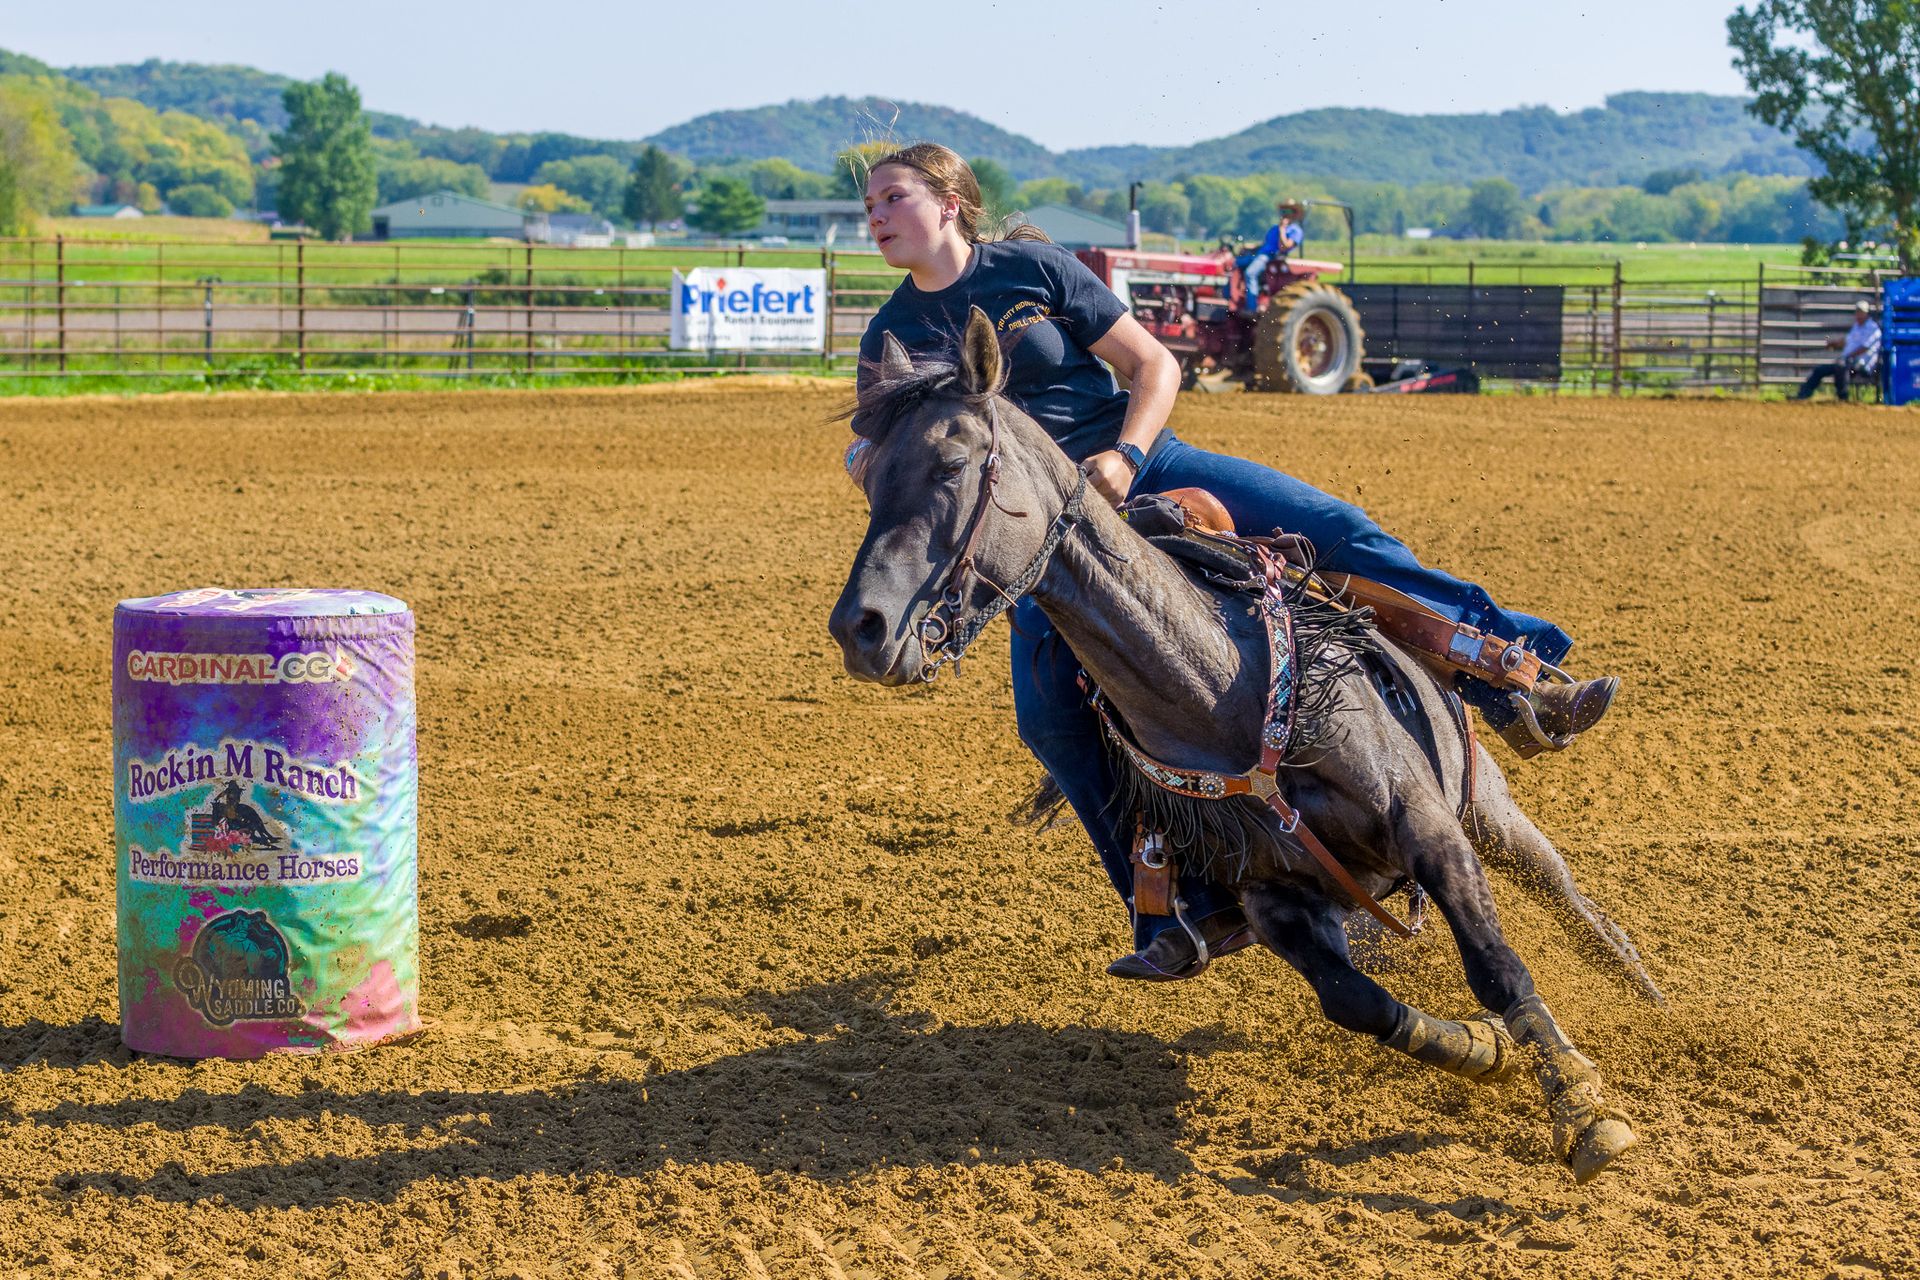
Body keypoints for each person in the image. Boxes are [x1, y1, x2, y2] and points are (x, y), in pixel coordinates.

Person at [854, 143, 1619, 982]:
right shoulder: (892, 333)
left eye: (893, 197)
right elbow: (879, 449)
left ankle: (1513, 675)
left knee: (1335, 531)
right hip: (1038, 542)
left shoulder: (1034, 268)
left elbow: (1153, 365)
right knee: (1048, 721)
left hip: (1143, 465)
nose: (877, 214)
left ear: (951, 203)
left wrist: (1125, 456)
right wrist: (869, 464)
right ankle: (1175, 913)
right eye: (871, 204)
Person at [1796, 300, 1881, 401]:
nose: (1858, 315)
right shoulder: (1857, 327)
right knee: (1821, 370)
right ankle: (1803, 395)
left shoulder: (1872, 328)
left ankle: (1843, 397)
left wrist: (1848, 356)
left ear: (1866, 313)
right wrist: (1834, 344)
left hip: (1862, 365)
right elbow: (1847, 341)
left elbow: (1865, 347)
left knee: (1841, 366)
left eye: (1861, 312)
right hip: (1848, 362)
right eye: (1857, 312)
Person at [1237, 200, 1304, 317]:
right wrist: (1248, 247)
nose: (1284, 213)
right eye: (1283, 210)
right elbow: (1264, 244)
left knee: (1250, 273)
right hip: (1259, 255)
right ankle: (1232, 301)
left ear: (1294, 213)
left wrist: (1283, 229)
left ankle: (1252, 308)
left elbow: (1284, 247)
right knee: (1233, 264)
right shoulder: (1274, 229)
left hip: (1270, 258)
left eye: (1288, 210)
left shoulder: (1295, 231)